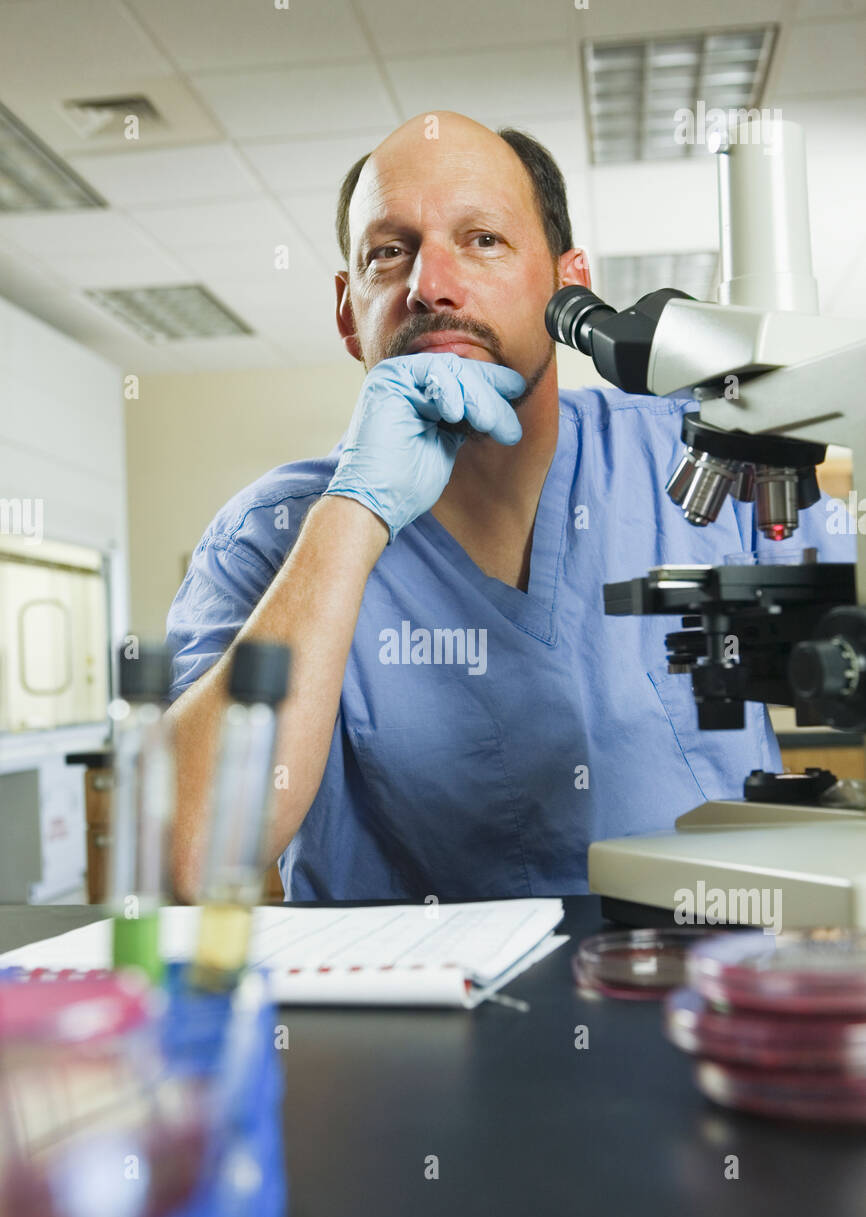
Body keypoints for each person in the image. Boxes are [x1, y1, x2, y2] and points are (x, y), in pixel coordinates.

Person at [164, 109, 852, 904]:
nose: (431, 286)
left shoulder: (704, 456)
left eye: (483, 240)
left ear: (570, 283)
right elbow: (191, 858)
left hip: (708, 977)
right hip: (416, 1015)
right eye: (390, 253)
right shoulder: (271, 535)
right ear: (349, 312)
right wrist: (355, 510)